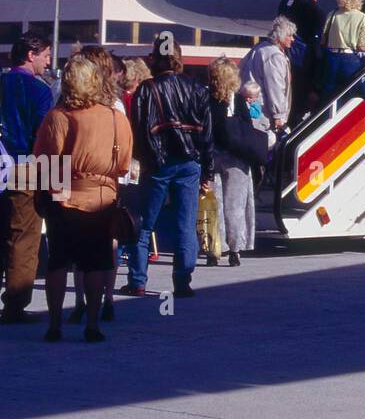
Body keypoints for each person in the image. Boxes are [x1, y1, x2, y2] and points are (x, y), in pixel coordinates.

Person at [33, 54, 133, 342]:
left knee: (58, 261)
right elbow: (124, 163)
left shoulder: (57, 117)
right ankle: (92, 324)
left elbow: (45, 159)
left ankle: (54, 325)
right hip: (102, 196)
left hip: (62, 193)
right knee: (95, 263)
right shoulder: (115, 117)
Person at [0, 31, 53, 323]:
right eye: (46, 55)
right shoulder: (40, 91)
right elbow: (45, 137)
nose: (48, 61)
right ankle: (14, 306)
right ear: (32, 55)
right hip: (24, 167)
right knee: (23, 239)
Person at [123, 35, 213, 297]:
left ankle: (138, 280)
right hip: (189, 162)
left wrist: (141, 161)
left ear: (156, 58)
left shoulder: (147, 89)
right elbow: (207, 136)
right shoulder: (197, 89)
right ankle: (183, 281)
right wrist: (208, 170)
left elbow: (138, 131)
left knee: (143, 224)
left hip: (157, 163)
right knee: (185, 225)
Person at [207, 59, 266, 268]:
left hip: (212, 156)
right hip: (237, 158)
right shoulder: (238, 100)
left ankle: (213, 250)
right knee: (235, 205)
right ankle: (235, 250)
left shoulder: (205, 97)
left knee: (213, 205)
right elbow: (247, 130)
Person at [276, 0, 326, 120]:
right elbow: (321, 17)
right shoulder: (308, 5)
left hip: (285, 52)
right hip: (301, 55)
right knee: (300, 92)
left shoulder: (286, 1)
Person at [238, 18, 295, 135]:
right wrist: (278, 115)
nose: (292, 39)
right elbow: (275, 87)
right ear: (280, 36)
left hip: (251, 105)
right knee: (267, 143)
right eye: (289, 35)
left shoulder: (260, 47)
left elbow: (241, 69)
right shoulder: (275, 56)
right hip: (264, 111)